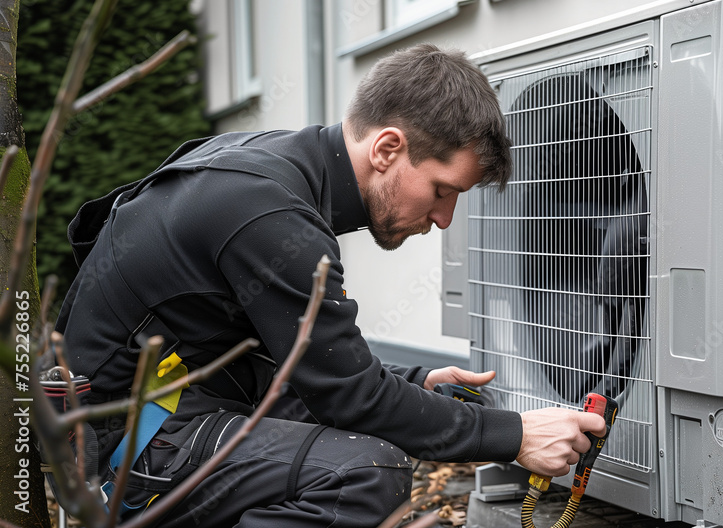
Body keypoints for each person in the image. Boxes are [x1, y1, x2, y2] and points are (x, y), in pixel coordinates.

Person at [51, 43, 606, 527]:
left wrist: (414, 381)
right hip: (118, 454)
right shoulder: (268, 212)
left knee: (366, 444)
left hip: (167, 407)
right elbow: (352, 399)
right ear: (387, 149)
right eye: (442, 190)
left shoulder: (273, 167)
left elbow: (306, 365)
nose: (444, 218)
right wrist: (516, 436)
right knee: (365, 473)